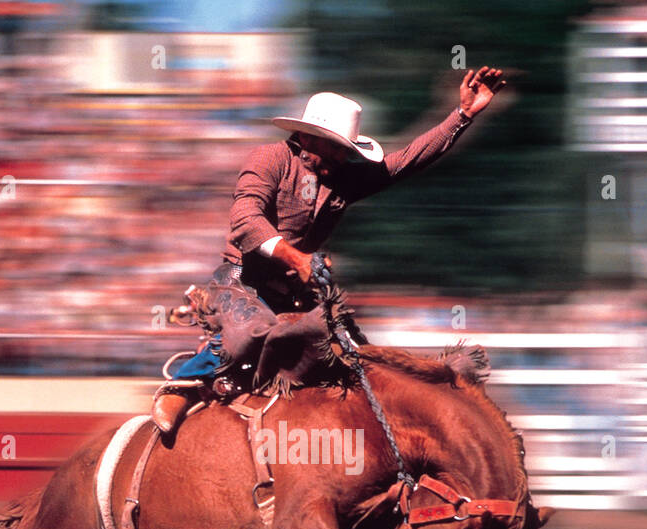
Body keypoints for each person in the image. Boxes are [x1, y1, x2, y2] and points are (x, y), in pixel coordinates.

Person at [152, 67, 508, 433]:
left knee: (349, 354)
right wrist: (295, 257)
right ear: (311, 138)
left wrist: (462, 115)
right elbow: (245, 218)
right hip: (241, 280)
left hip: (295, 291)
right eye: (338, 148)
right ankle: (181, 386)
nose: (343, 157)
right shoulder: (269, 159)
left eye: (346, 150)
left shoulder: (343, 178)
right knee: (248, 335)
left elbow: (406, 161)